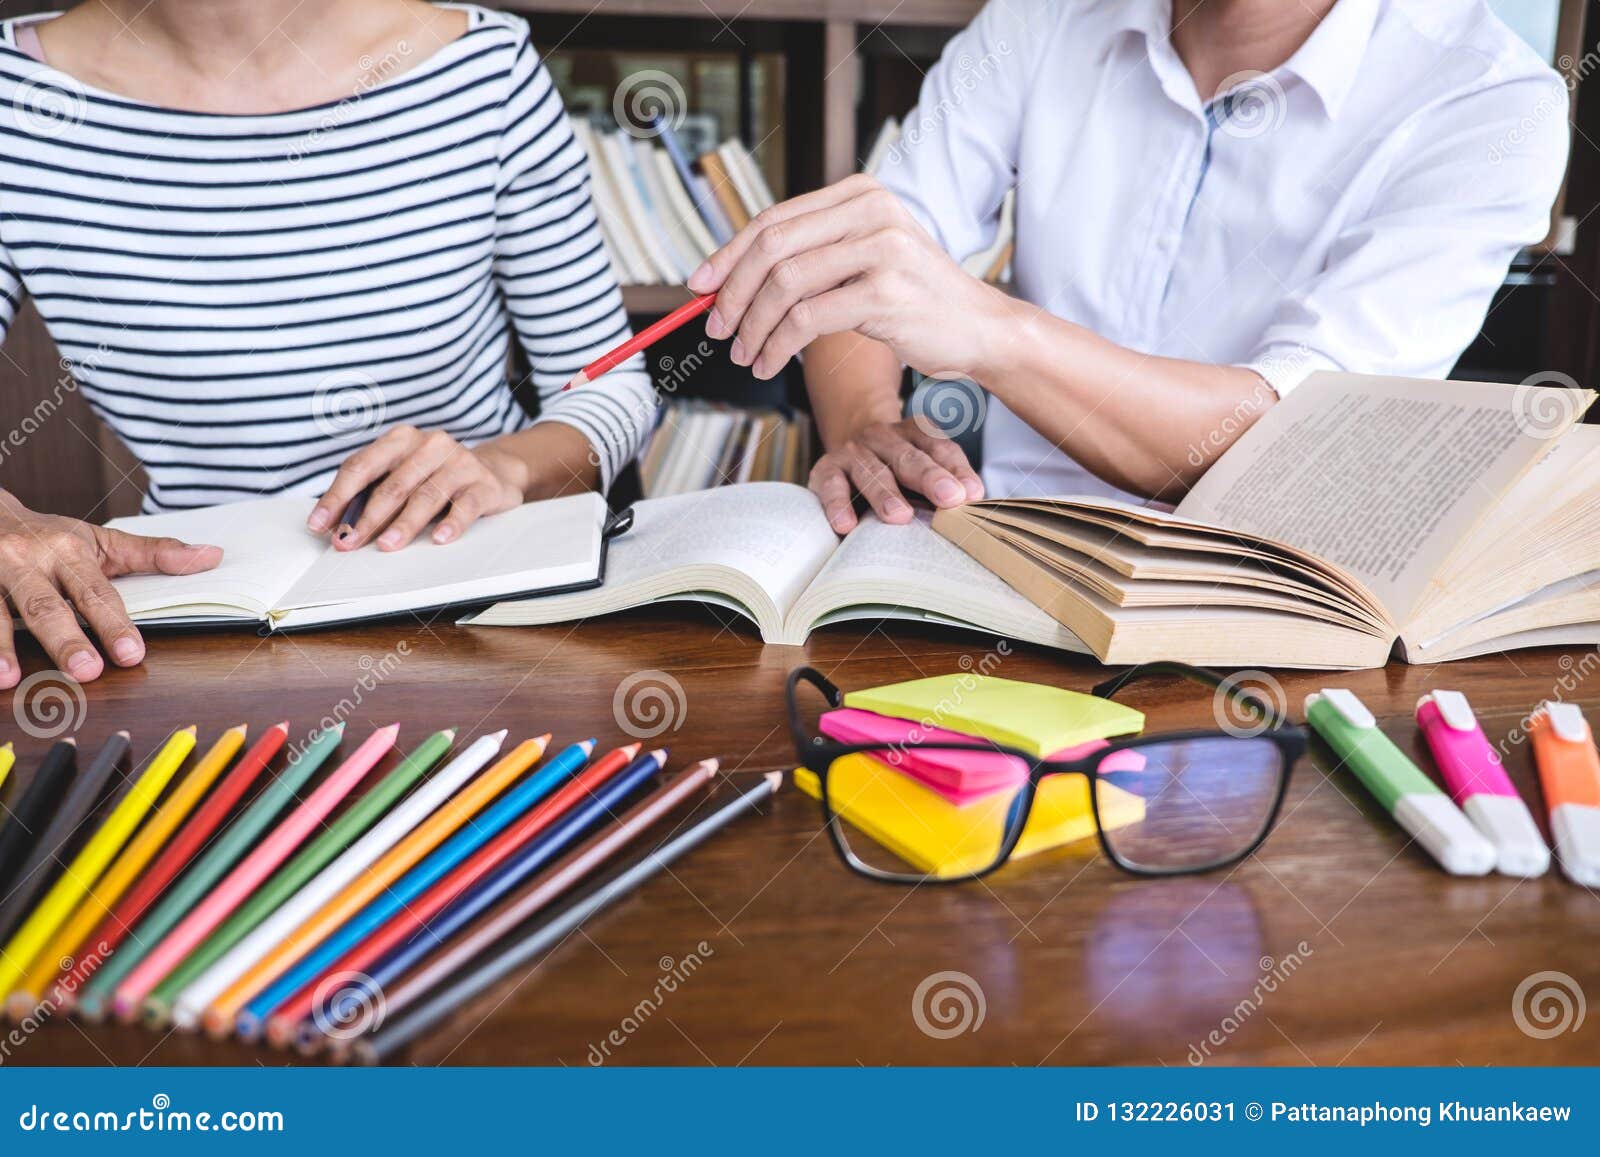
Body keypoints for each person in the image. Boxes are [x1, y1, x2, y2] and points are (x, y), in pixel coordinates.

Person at [689, 0, 1570, 533]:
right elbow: (863, 265)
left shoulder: (1490, 101)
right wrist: (865, 426)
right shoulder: (1041, 19)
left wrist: (988, 330)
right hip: (1011, 568)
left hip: (1273, 613)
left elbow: (1291, 437)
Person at [0, 0, 655, 685]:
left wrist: (505, 467)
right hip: (197, 623)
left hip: (480, 615)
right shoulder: (15, 93)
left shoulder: (486, 71)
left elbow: (611, 384)